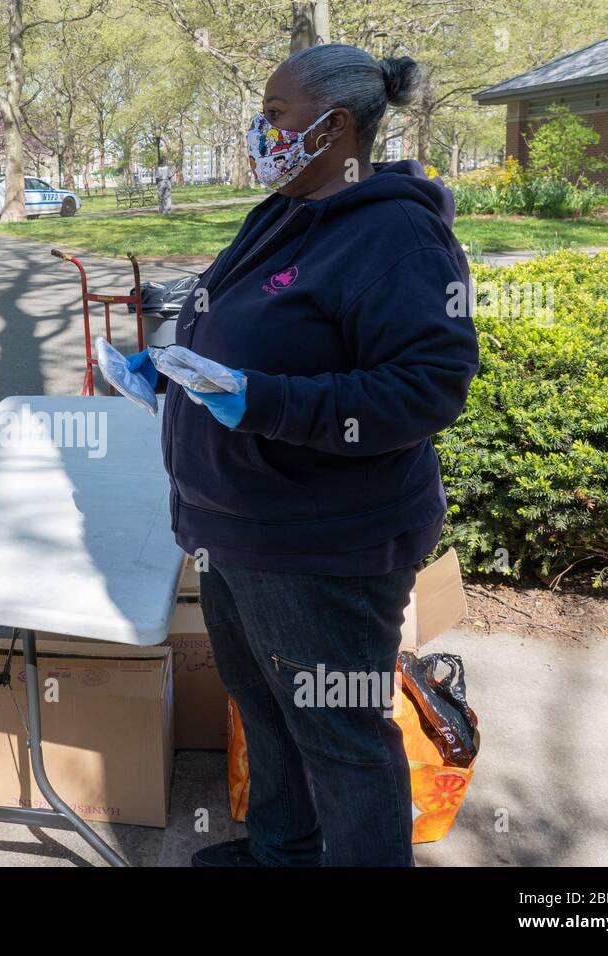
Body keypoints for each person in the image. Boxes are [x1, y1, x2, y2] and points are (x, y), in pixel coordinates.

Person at [125, 45, 479, 866]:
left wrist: (266, 402)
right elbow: (249, 329)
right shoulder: (287, 207)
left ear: (339, 126)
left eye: (276, 115)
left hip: (320, 549)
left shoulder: (395, 235)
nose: (261, 130)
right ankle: (280, 854)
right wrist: (175, 372)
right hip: (234, 533)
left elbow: (428, 387)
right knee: (267, 710)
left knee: (342, 740)